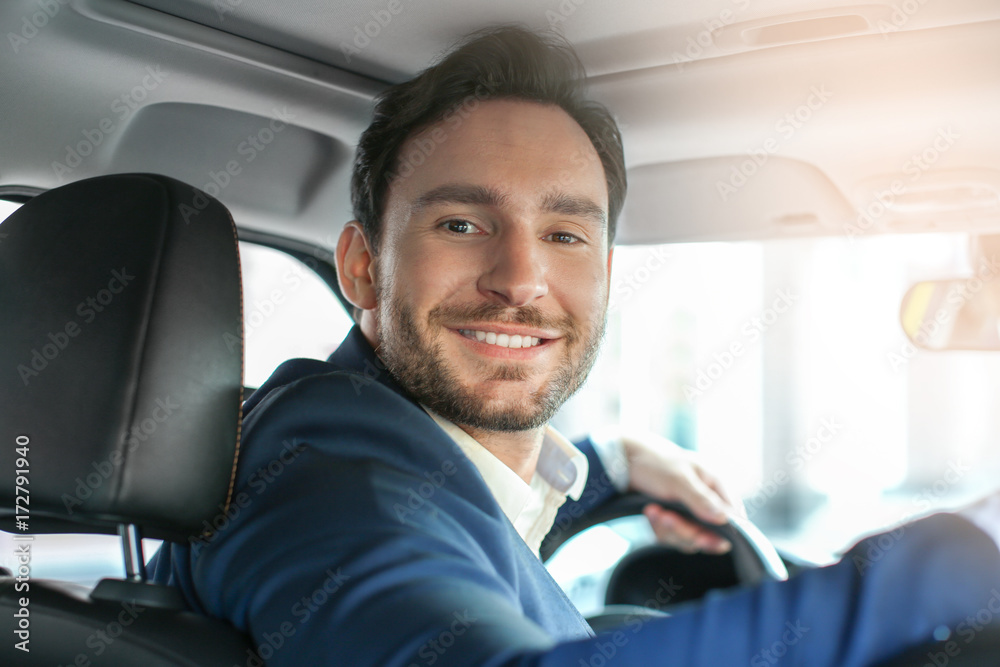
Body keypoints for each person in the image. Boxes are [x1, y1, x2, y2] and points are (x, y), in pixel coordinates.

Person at [152, 26, 1000, 666]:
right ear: (363, 266)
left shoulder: (330, 429)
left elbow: (459, 490)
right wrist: (958, 564)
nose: (520, 278)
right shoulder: (326, 495)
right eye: (462, 223)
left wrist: (612, 463)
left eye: (564, 235)